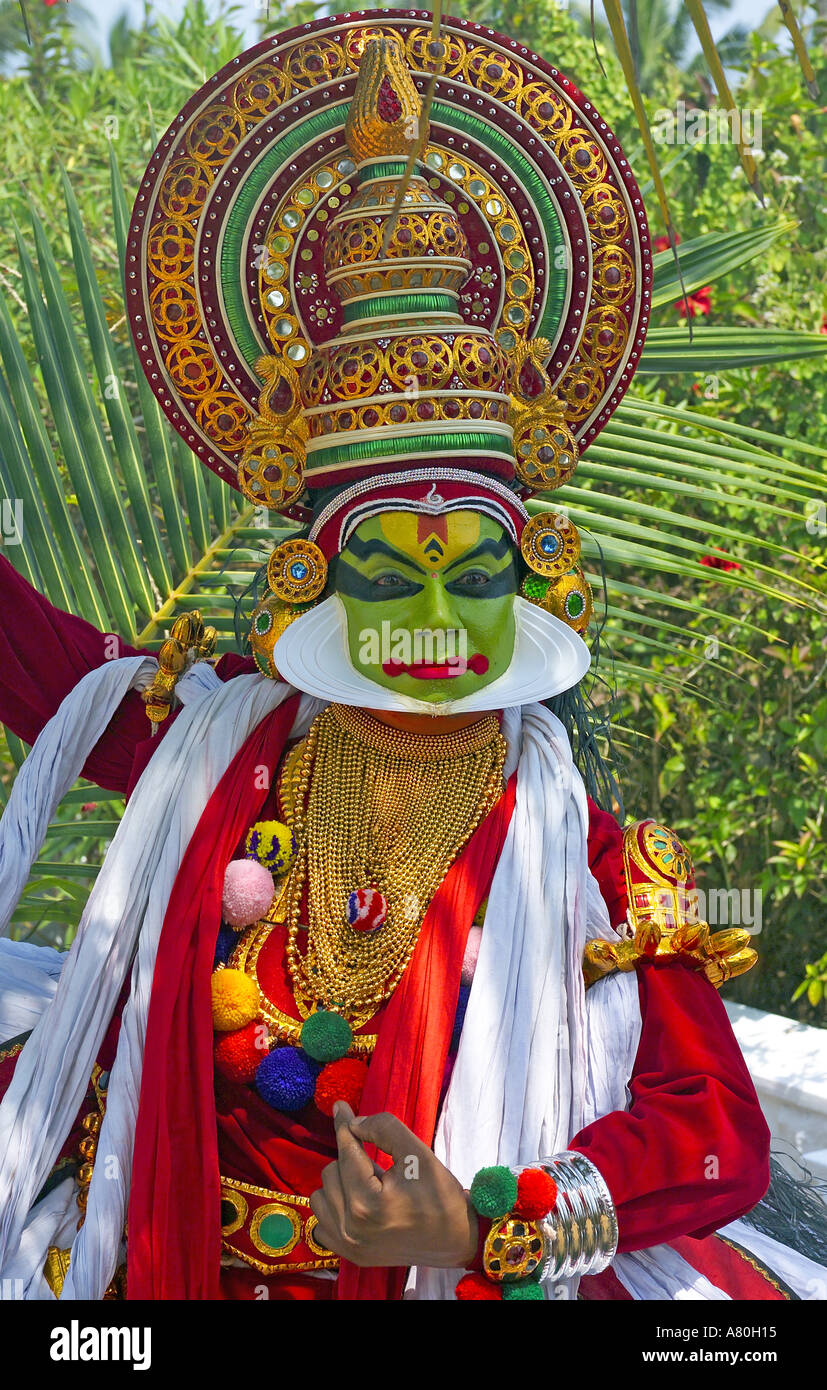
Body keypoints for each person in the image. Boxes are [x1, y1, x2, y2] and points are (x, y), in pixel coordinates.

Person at [0, 12, 821, 1302]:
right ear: (312, 583)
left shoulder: (593, 857)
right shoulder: (220, 752)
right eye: (389, 570)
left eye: (472, 569)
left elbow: (717, 1129)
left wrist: (485, 1222)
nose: (435, 609)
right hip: (153, 1265)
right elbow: (36, 661)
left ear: (534, 581)